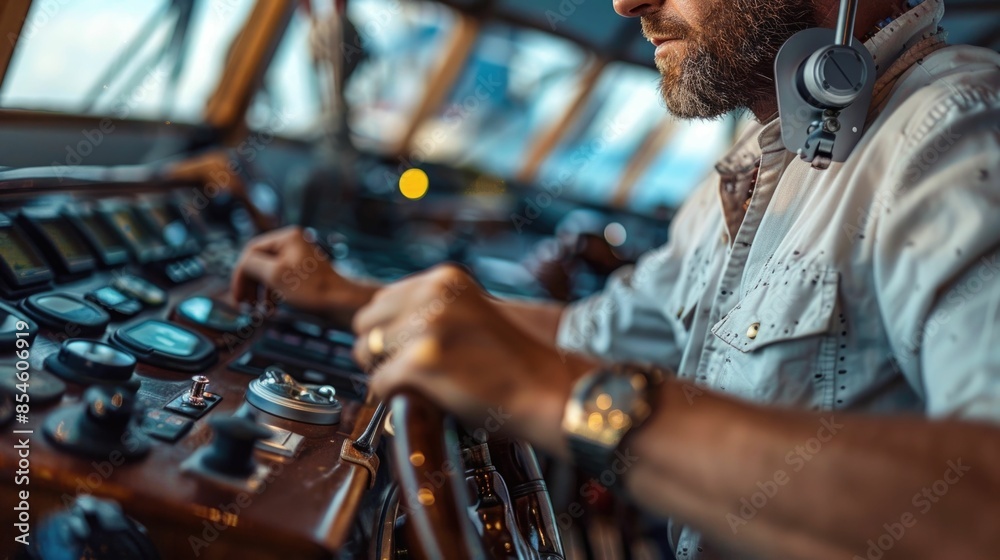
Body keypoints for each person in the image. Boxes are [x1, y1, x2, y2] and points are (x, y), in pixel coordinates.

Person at [231, 0, 1000, 557]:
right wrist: (352, 298)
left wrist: (560, 397)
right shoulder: (746, 175)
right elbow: (583, 334)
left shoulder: (957, 137)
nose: (626, 3)